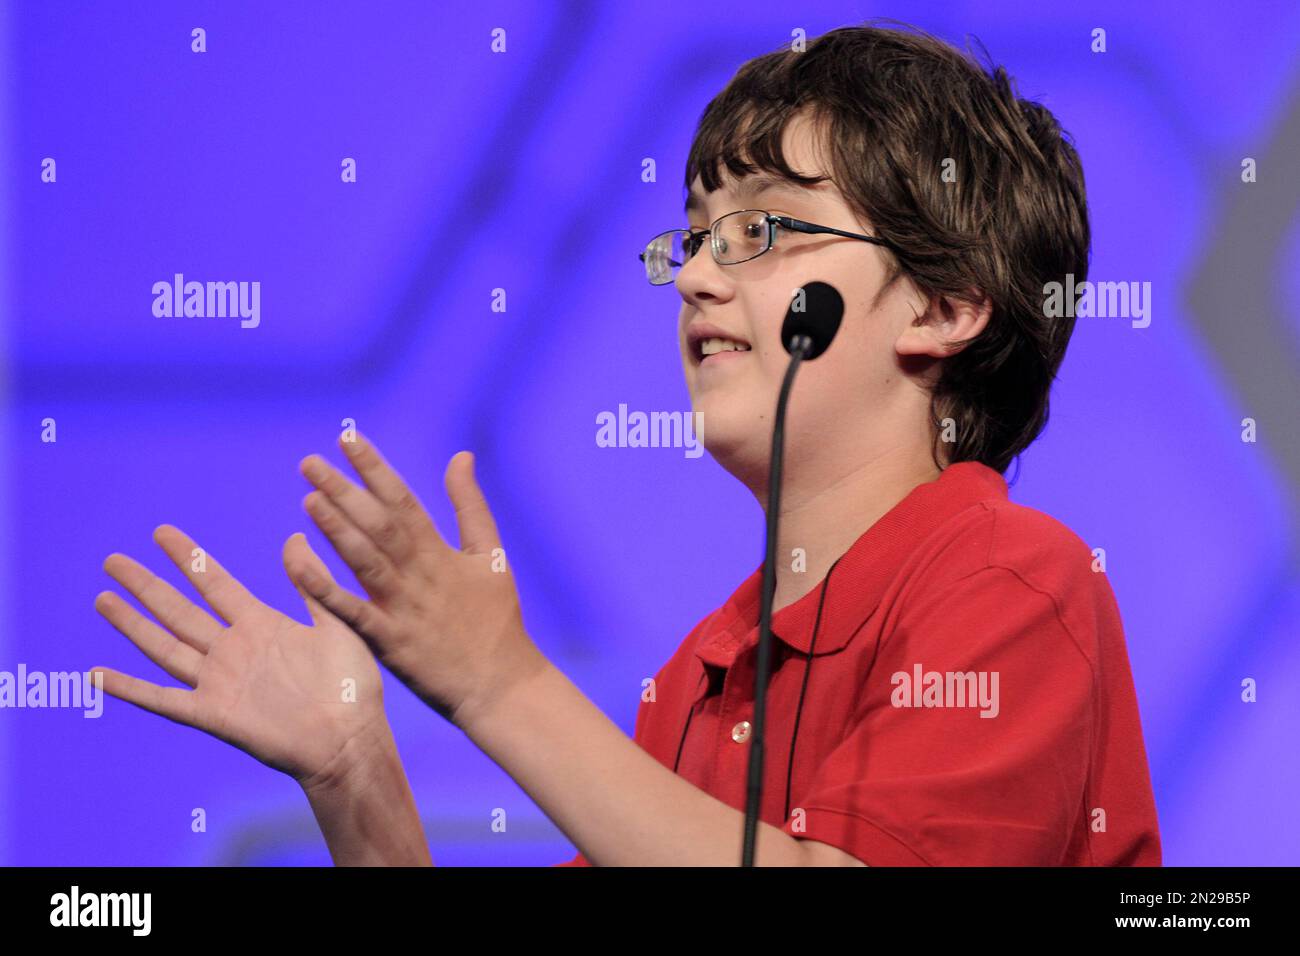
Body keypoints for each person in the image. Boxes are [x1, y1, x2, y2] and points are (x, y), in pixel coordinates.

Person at [91, 22, 1161, 866]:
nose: (697, 273)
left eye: (764, 230)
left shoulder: (1017, 585)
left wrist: (500, 682)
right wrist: (354, 770)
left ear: (943, 305)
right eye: (696, 236)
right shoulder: (705, 668)